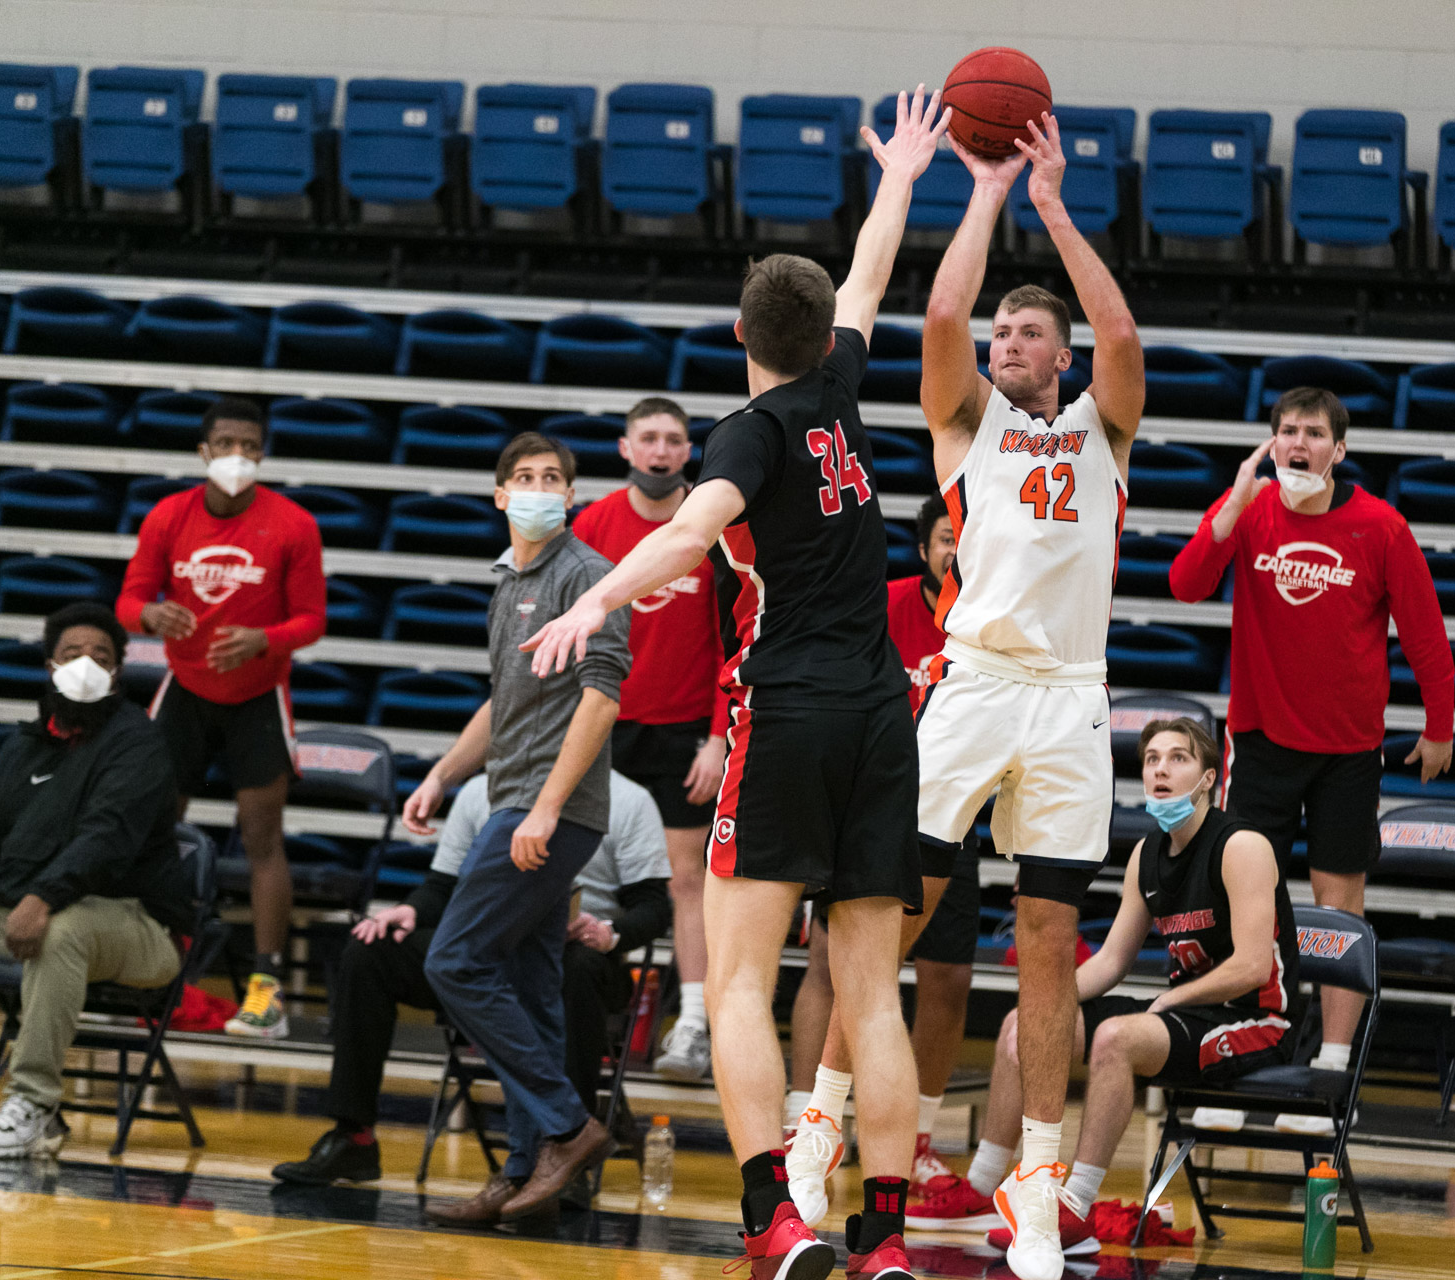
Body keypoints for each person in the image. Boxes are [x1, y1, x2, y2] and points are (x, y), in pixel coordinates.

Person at [524, 89, 948, 1280]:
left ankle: (777, 1219)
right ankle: (886, 1237)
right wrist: (902, 175)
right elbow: (866, 278)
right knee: (873, 989)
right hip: (881, 718)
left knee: (749, 975)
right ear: (820, 338)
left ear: (740, 332)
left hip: (794, 712)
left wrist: (598, 596)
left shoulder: (750, 431)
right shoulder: (840, 391)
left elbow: (692, 529)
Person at [832, 111, 1145, 1280]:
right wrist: (982, 191)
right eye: (1005, 328)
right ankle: (825, 1121)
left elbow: (1117, 327)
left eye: (1030, 330)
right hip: (972, 683)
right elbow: (945, 317)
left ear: (1056, 356)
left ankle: (1036, 1183)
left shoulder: (1104, 426)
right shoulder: (967, 426)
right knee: (890, 908)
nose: (1009, 337)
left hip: (1071, 695)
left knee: (1049, 942)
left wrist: (1054, 205)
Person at [1168, 385, 1452, 1075]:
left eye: (1315, 433)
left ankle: (1331, 1057)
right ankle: (1242, 1044)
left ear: (1340, 450)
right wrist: (1232, 506)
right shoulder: (1251, 510)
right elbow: (1185, 584)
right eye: (1288, 430)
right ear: (1271, 443)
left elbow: (1425, 633)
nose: (1300, 443)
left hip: (1349, 750)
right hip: (1261, 741)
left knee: (1340, 906)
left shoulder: (1381, 526)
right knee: (1244, 900)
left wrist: (1440, 726)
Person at [402, 432, 631, 1226]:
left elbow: (602, 698)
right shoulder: (508, 583)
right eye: (524, 477)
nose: (538, 487)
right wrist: (443, 775)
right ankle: (526, 1170)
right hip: (515, 798)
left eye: (553, 478)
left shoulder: (588, 576)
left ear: (571, 495)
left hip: (549, 810)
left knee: (455, 961)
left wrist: (543, 807)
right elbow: (504, 703)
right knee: (532, 988)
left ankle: (567, 1129)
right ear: (499, 495)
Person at [975, 717, 1302, 1257]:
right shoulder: (1146, 855)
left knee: (1116, 1039)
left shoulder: (1242, 846)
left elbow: (1250, 967)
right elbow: (1110, 961)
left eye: (1178, 758)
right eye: (1152, 759)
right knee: (1025, 1024)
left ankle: (1075, 1209)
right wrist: (1045, 1003)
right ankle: (983, 1188)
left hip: (1256, 1020)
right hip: (1183, 1014)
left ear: (1208, 779)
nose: (1161, 769)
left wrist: (1171, 997)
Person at [271, 770, 669, 1187]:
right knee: (370, 950)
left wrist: (608, 931)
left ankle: (564, 1156)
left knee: (575, 969)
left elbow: (654, 907)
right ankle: (353, 1137)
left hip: (580, 953)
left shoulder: (628, 798)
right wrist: (412, 909)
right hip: (487, 952)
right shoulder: (482, 790)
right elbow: (443, 886)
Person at [784, 492, 985, 1212]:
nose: (955, 550)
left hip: (952, 816)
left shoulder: (994, 617)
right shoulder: (882, 605)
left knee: (949, 979)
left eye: (966, 537)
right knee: (832, 970)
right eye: (943, 538)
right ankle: (808, 1121)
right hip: (867, 811)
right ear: (925, 547)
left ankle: (919, 1140)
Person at [116, 395, 326, 1040]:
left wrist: (266, 640)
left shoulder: (292, 524)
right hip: (185, 686)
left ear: (262, 453)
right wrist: (151, 617)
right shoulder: (168, 516)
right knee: (155, 829)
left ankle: (265, 990)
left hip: (258, 695)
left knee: (262, 840)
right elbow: (127, 601)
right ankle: (149, 965)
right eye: (226, 444)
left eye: (250, 445)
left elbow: (313, 621)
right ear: (203, 451)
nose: (238, 456)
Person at [0, 604, 188, 1157]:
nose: (86, 664)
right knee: (53, 923)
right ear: (51, 664)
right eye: (73, 653)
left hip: (139, 923)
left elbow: (108, 837)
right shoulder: (23, 744)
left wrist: (44, 896)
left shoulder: (138, 743)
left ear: (118, 673)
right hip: (28, 904)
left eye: (101, 656)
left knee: (61, 931)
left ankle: (33, 1104)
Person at [571, 395, 729, 1083]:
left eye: (673, 439)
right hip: (602, 721)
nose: (662, 451)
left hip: (684, 731)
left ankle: (693, 1023)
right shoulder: (593, 524)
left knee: (686, 880)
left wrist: (720, 737)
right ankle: (561, 1004)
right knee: (569, 863)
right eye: (649, 439)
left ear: (688, 451)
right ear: (626, 448)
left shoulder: (714, 526)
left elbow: (736, 637)